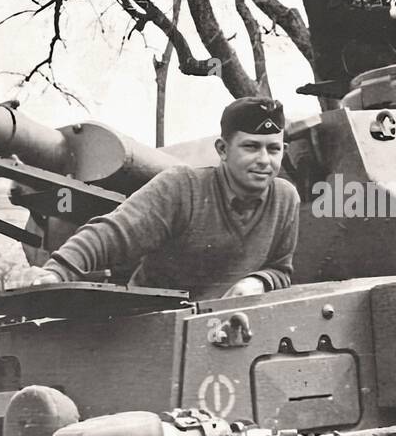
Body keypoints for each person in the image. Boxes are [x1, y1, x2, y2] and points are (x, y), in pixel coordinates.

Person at [30, 97, 299, 300]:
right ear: (223, 149)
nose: (264, 160)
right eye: (250, 147)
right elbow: (112, 233)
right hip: (155, 323)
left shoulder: (285, 199)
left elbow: (281, 270)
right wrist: (57, 272)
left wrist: (258, 282)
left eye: (273, 149)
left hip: (229, 331)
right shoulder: (182, 187)